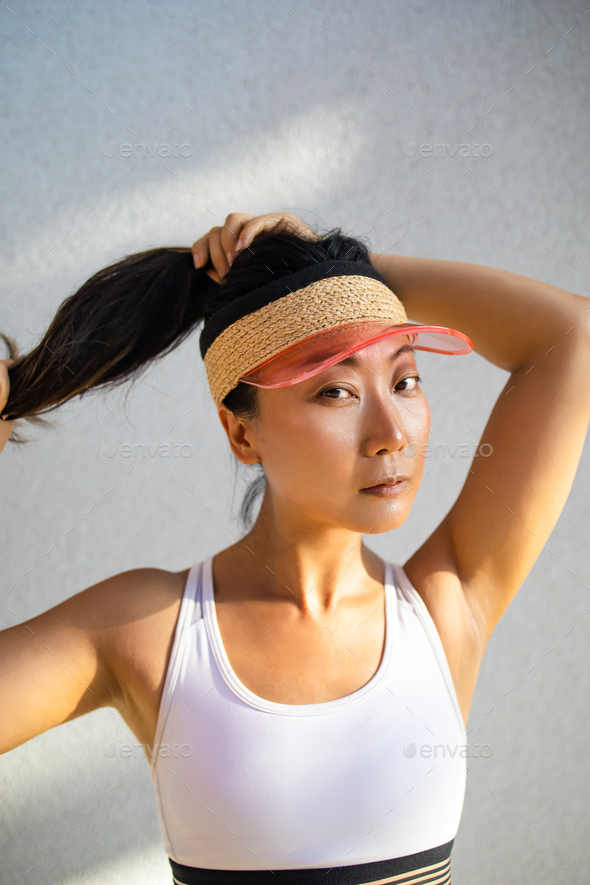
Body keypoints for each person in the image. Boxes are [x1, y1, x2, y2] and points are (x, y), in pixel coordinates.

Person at [1, 211, 589, 884]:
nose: (391, 431)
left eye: (404, 380)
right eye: (334, 390)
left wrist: (343, 268)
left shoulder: (445, 607)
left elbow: (574, 335)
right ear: (241, 434)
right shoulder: (147, 630)